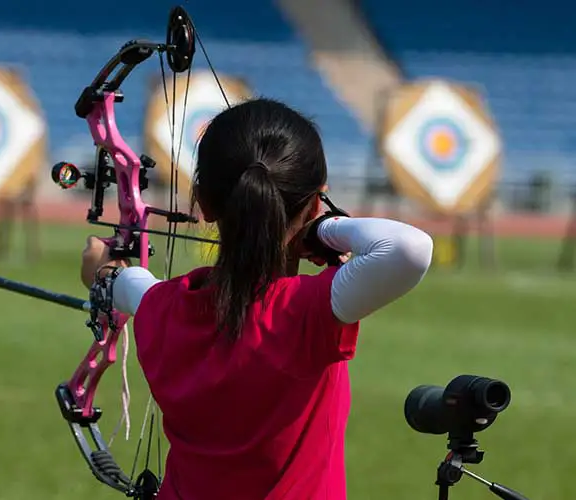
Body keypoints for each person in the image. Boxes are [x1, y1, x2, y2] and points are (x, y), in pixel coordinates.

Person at [80, 97, 433, 500]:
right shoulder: (305, 312)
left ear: (203, 203)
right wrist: (324, 229)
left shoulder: (162, 307)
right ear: (316, 202)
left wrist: (102, 271)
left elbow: (122, 281)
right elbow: (408, 248)